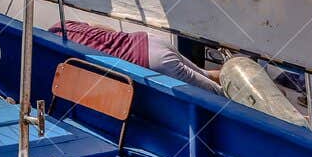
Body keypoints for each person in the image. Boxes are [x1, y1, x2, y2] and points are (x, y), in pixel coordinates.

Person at [55, 20, 223, 96]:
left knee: (217, 95)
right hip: (148, 40)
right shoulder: (64, 24)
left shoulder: (59, 53)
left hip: (153, 63)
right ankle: (239, 74)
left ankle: (248, 99)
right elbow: (101, 28)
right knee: (205, 75)